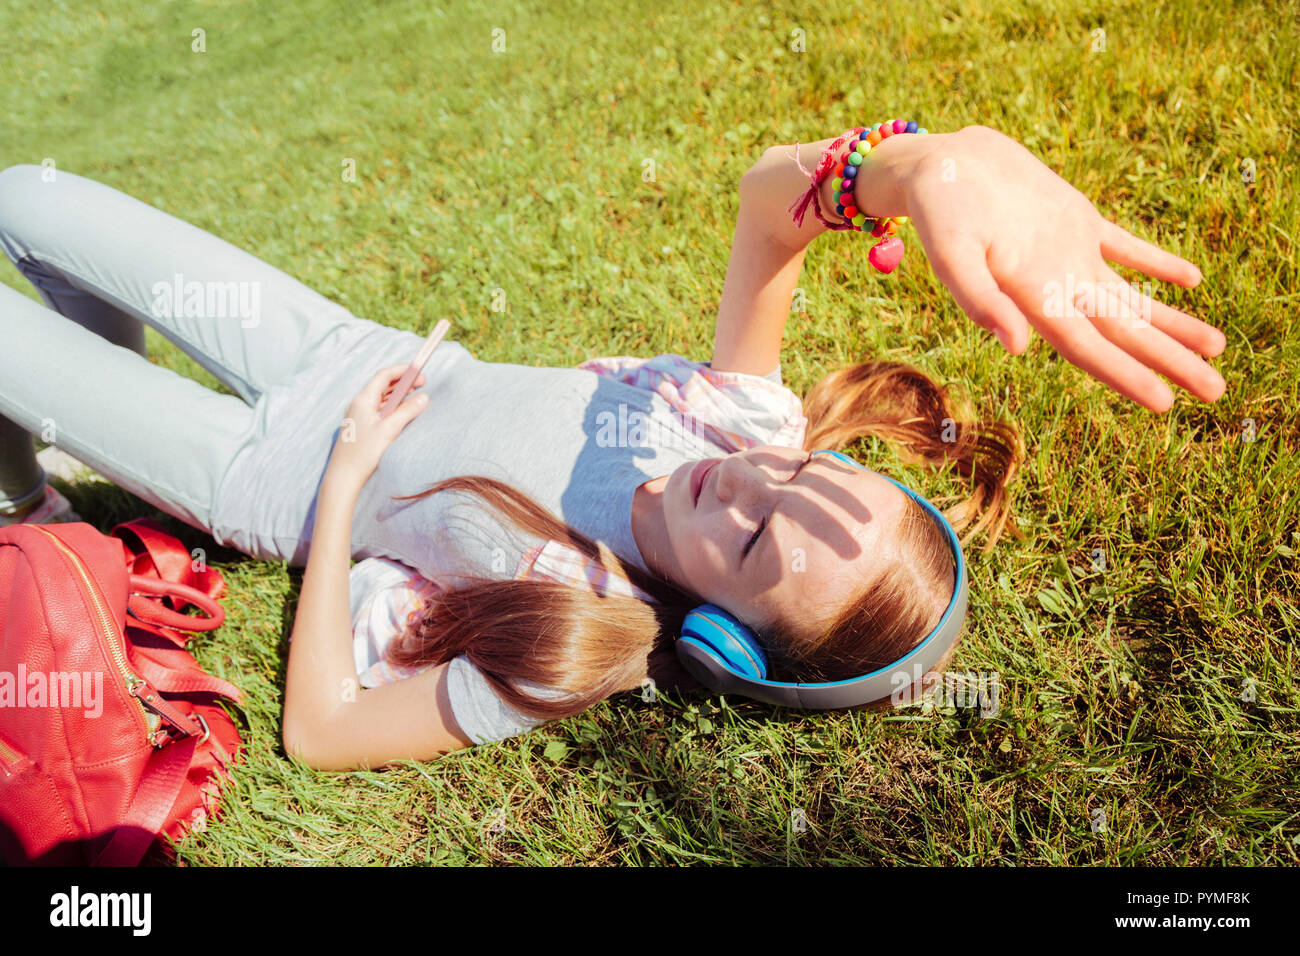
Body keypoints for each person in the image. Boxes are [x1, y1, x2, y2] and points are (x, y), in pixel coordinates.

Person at [0, 123, 1226, 770]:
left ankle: (36, 498)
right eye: (804, 473)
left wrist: (344, 480)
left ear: (722, 635)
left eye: (748, 537)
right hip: (338, 339)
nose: (745, 477)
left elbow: (319, 729)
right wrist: (918, 165)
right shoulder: (742, 427)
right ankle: (56, 449)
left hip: (266, 472)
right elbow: (769, 208)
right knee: (28, 200)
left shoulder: (574, 637)